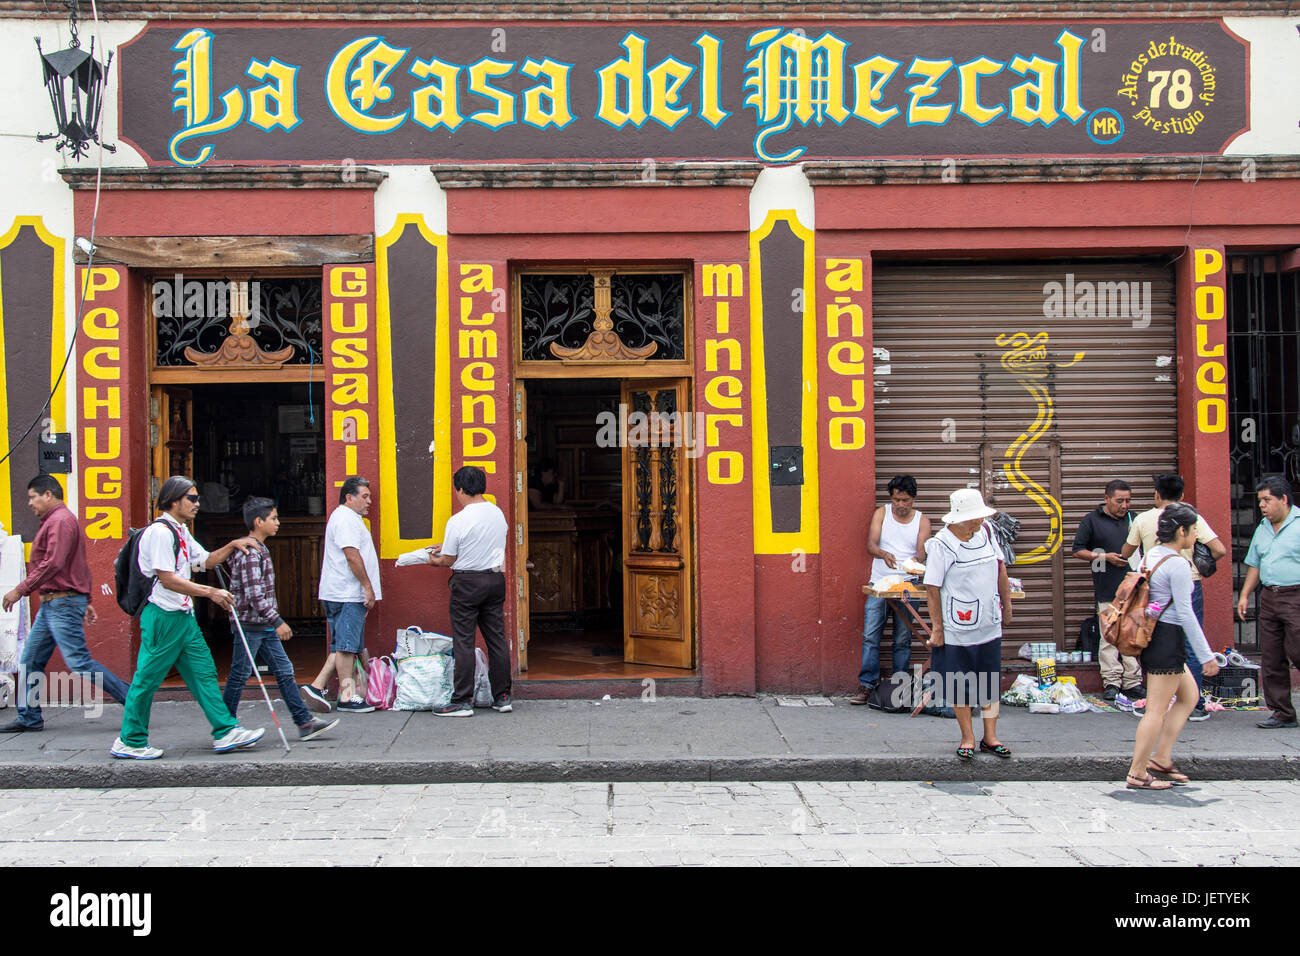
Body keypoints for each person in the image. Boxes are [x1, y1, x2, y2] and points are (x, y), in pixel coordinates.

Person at [111, 476, 265, 759]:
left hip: (181, 615)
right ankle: (130, 740)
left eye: (196, 498)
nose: (197, 503)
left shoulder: (180, 530)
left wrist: (232, 544)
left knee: (204, 673)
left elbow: (204, 561)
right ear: (173, 501)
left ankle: (225, 730)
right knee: (147, 678)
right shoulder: (159, 533)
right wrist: (211, 592)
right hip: (163, 616)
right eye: (191, 498)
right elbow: (167, 579)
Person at [0, 476, 130, 733]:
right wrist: (86, 599)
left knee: (79, 662)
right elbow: (77, 564)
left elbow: (54, 563)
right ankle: (29, 717)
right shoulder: (58, 520)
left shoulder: (60, 521)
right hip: (55, 603)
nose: (29, 503)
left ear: (48, 494)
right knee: (30, 660)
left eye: (32, 497)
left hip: (62, 603)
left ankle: (135, 701)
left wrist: (20, 589)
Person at [221, 497, 338, 740]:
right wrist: (277, 621)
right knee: (240, 674)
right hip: (251, 624)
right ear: (258, 521)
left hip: (260, 624)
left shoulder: (258, 549)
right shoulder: (251, 553)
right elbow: (254, 594)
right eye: (273, 518)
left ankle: (304, 722)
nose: (277, 522)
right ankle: (223, 724)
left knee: (284, 671)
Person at [1124, 503, 1220, 789]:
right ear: (1182, 531)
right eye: (1194, 530)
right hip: (1168, 638)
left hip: (1156, 635)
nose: (1196, 536)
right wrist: (1205, 656)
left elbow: (1152, 600)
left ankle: (1162, 758)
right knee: (1155, 709)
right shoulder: (1177, 564)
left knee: (1189, 697)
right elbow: (1186, 613)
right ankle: (1137, 772)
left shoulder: (1152, 556)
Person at [1122, 473, 1226, 720]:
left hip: (1153, 589)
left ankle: (1157, 701)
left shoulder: (1144, 519)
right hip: (1189, 582)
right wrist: (1198, 566)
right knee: (1188, 641)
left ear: (1157, 494)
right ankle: (1195, 705)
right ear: (1182, 496)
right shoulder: (1192, 518)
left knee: (1150, 638)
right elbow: (1219, 550)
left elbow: (1126, 551)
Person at [923, 489, 1012, 760]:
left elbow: (1000, 568)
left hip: (988, 621)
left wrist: (1006, 605)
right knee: (959, 682)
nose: (977, 523)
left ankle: (991, 736)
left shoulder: (986, 532)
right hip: (957, 626)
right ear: (957, 519)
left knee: (989, 679)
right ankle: (967, 737)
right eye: (972, 519)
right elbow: (932, 587)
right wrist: (937, 628)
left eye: (979, 518)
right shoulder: (942, 544)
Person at [426, 466, 511, 717]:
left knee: (464, 640)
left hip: (467, 584)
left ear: (461, 489)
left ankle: (462, 700)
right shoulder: (498, 514)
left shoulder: (458, 519)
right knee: (496, 639)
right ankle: (503, 696)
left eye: (457, 491)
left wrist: (433, 559)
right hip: (495, 580)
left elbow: (449, 559)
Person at [851, 475, 931, 705]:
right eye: (896, 500)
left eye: (905, 500)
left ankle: (900, 688)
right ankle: (867, 685)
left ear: (913, 499)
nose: (900, 505)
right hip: (880, 583)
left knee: (903, 637)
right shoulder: (882, 513)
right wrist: (883, 554)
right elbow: (871, 544)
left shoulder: (922, 521)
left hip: (907, 584)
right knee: (870, 636)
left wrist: (915, 560)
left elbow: (921, 552)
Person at [303, 476, 380, 714]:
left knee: (342, 645)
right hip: (348, 592)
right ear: (349, 496)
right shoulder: (346, 520)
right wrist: (367, 587)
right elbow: (352, 555)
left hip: (341, 591)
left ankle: (316, 687)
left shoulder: (346, 518)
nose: (369, 501)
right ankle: (347, 696)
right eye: (364, 496)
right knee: (347, 647)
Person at [1236, 477, 1300, 729]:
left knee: (1298, 651)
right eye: (1260, 500)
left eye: (1267, 500)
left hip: (1296, 595)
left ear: (1283, 499)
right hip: (1270, 597)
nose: (1262, 505)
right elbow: (1255, 563)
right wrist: (1244, 595)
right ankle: (1282, 713)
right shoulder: (1262, 527)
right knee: (1272, 658)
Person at [1071, 479, 1144, 701]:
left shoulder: (1136, 519)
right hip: (1107, 586)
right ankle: (1111, 681)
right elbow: (1078, 550)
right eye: (1119, 501)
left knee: (1132, 633)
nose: (1124, 506)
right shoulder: (1092, 520)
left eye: (1128, 501)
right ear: (1106, 499)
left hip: (1135, 586)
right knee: (1108, 635)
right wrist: (1104, 557)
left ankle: (1132, 682)